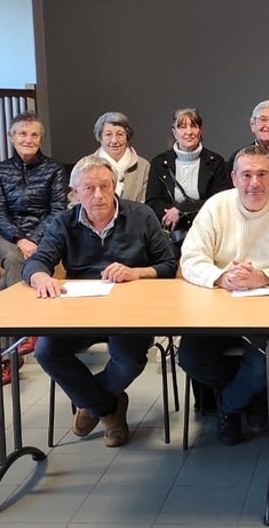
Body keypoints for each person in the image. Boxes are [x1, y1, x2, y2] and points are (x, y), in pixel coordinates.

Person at [23, 156, 177, 447]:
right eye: (89, 188)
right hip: (79, 311)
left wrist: (136, 272)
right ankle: (108, 408)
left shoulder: (141, 215)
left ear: (115, 186)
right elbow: (37, 261)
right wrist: (40, 277)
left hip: (130, 311)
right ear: (74, 192)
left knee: (130, 360)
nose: (98, 195)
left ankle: (90, 402)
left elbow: (169, 264)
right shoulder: (64, 222)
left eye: (105, 186)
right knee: (46, 351)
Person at [178, 144, 269, 445]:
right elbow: (190, 258)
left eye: (262, 174)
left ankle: (229, 405)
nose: (254, 182)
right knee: (189, 357)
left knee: (260, 368)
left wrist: (264, 277)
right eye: (246, 175)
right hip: (219, 305)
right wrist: (221, 277)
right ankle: (249, 398)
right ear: (233, 177)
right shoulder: (216, 206)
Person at [0, 112, 68, 378]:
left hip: (45, 234)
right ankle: (26, 330)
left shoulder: (54, 169)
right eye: (22, 133)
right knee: (13, 259)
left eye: (34, 134)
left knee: (5, 285)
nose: (28, 139)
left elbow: (58, 210)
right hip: (9, 236)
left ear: (41, 138)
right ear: (12, 137)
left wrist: (35, 238)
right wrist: (20, 239)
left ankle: (6, 358)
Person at [145, 107, 232, 254]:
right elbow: (152, 202)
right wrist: (171, 215)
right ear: (174, 132)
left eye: (193, 126)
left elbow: (220, 200)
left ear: (200, 131)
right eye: (182, 127)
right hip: (172, 235)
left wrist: (181, 210)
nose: (189, 132)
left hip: (208, 231)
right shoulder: (159, 163)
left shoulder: (215, 161)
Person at [91, 111, 150, 203]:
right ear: (100, 138)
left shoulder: (144, 166)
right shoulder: (86, 166)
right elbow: (75, 203)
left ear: (127, 137)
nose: (114, 140)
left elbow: (147, 206)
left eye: (119, 134)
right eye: (108, 134)